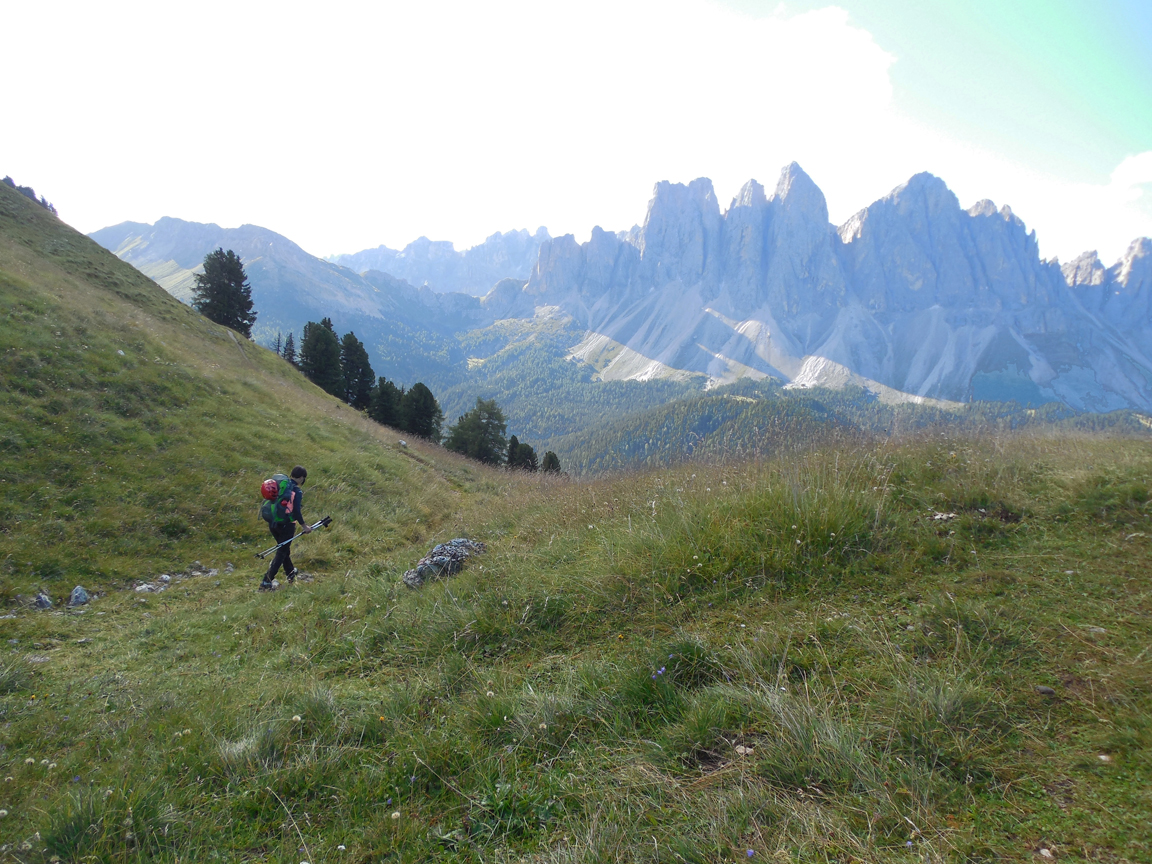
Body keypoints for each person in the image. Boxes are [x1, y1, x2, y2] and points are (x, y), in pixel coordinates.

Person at [260, 465, 313, 591]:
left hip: (273, 523)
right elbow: (296, 511)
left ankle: (290, 573)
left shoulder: (281, 486)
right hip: (287, 525)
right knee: (282, 552)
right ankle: (266, 581)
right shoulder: (296, 491)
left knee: (284, 550)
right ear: (301, 478)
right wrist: (304, 526)